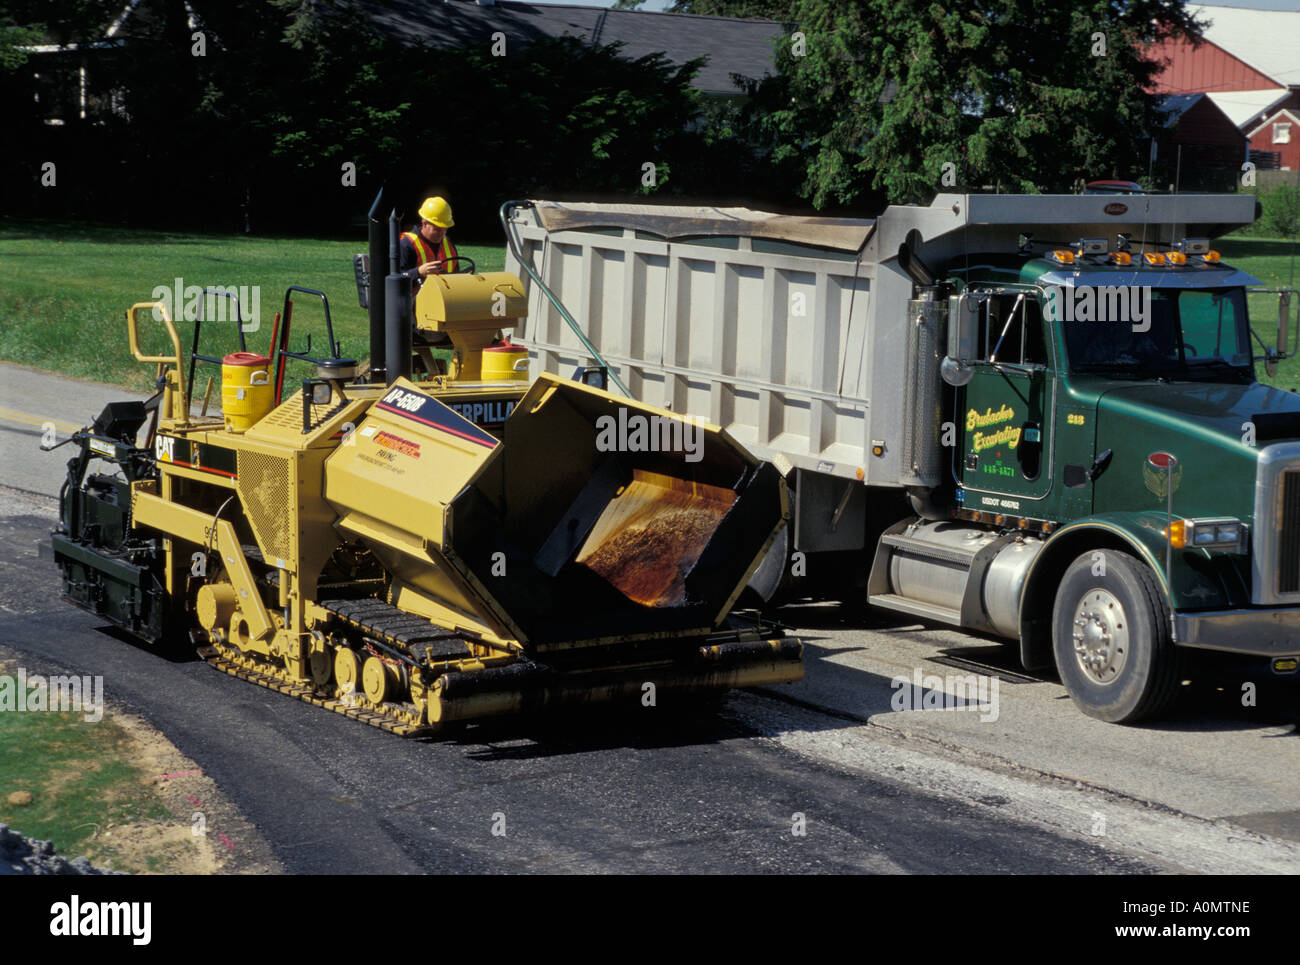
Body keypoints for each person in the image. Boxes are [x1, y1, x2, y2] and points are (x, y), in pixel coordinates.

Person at [399, 196, 460, 282]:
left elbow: (458, 276)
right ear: (424, 224)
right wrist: (418, 272)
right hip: (415, 295)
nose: (443, 234)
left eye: (445, 229)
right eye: (437, 229)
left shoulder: (448, 244)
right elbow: (395, 279)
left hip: (445, 294)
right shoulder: (406, 244)